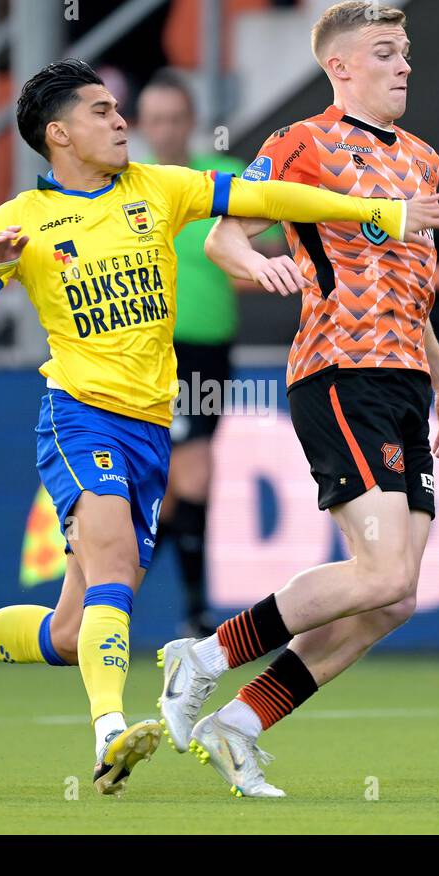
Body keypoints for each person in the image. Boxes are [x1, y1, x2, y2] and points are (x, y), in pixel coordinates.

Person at [0, 58, 439, 797]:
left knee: (68, 630)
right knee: (115, 572)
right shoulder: (19, 219)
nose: (120, 120)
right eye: (100, 111)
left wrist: (379, 213)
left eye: (117, 108)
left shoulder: (160, 187)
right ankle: (110, 733)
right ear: (59, 134)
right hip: (79, 416)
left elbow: (269, 193)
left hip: (151, 424)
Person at [156, 0, 439, 798]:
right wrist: (252, 262)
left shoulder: (423, 160)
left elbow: (412, 291)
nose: (403, 65)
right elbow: (225, 229)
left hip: (403, 378)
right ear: (340, 66)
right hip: (339, 372)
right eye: (385, 52)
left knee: (395, 597)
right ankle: (202, 657)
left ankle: (240, 725)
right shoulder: (303, 143)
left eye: (406, 52)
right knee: (378, 572)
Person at [136, 68, 283, 637]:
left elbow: (272, 232)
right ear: (141, 125)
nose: (167, 130)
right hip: (146, 348)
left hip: (207, 350)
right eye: (156, 120)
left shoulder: (220, 178)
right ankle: (186, 610)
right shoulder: (127, 184)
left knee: (187, 473)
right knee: (176, 477)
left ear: (191, 121)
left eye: (175, 118)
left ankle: (143, 601)